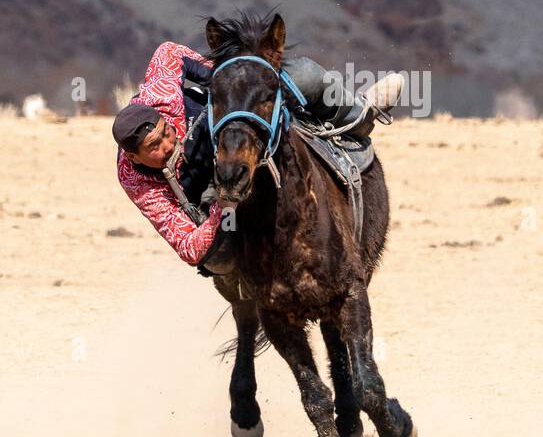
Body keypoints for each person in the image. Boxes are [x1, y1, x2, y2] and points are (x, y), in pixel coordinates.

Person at [113, 41, 403, 275]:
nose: (168, 143)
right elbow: (187, 245)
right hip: (208, 192)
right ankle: (258, 291)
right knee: (218, 262)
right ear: (134, 158)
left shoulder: (162, 95)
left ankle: (359, 116)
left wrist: (226, 83)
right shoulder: (138, 183)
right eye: (154, 147)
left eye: (166, 132)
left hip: (235, 123)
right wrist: (221, 211)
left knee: (305, 73)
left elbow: (169, 51)